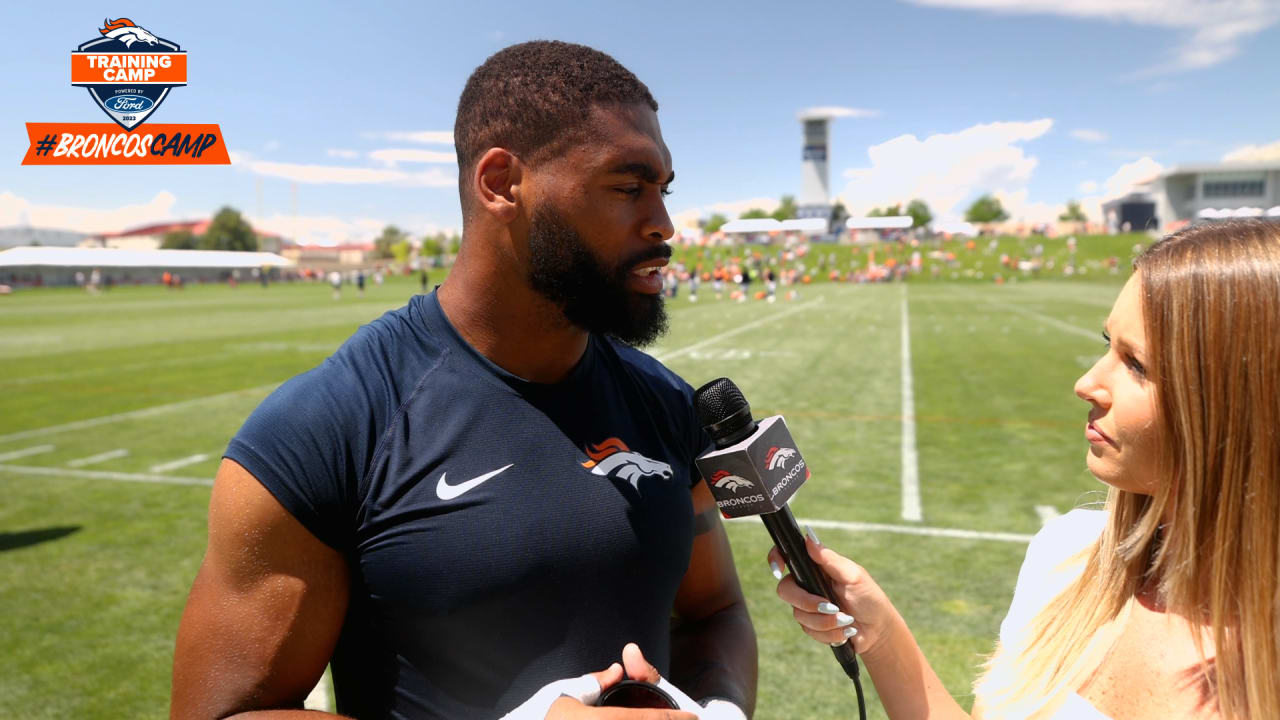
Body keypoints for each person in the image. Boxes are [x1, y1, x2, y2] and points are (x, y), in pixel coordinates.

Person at [171, 40, 756, 720]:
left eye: (664, 190)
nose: (665, 225)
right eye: (628, 188)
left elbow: (716, 609)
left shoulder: (666, 405)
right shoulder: (329, 426)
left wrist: (720, 711)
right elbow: (217, 714)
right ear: (503, 183)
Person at [770, 219, 1280, 720]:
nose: (1086, 383)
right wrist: (879, 632)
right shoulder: (1069, 558)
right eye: (1108, 345)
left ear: (1240, 405)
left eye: (1137, 364)